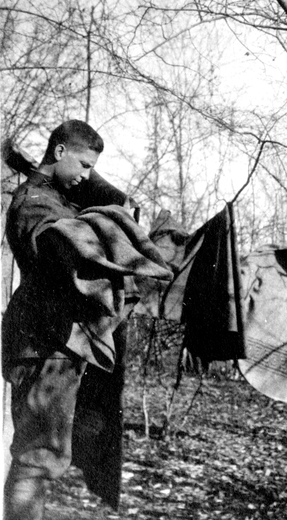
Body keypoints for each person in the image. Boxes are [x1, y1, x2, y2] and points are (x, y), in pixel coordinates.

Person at [2, 120, 173, 520]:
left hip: (56, 343)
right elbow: (60, 245)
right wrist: (115, 222)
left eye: (91, 169)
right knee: (36, 459)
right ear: (59, 152)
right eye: (82, 164)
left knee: (43, 458)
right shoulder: (34, 202)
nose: (85, 175)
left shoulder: (54, 196)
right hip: (45, 346)